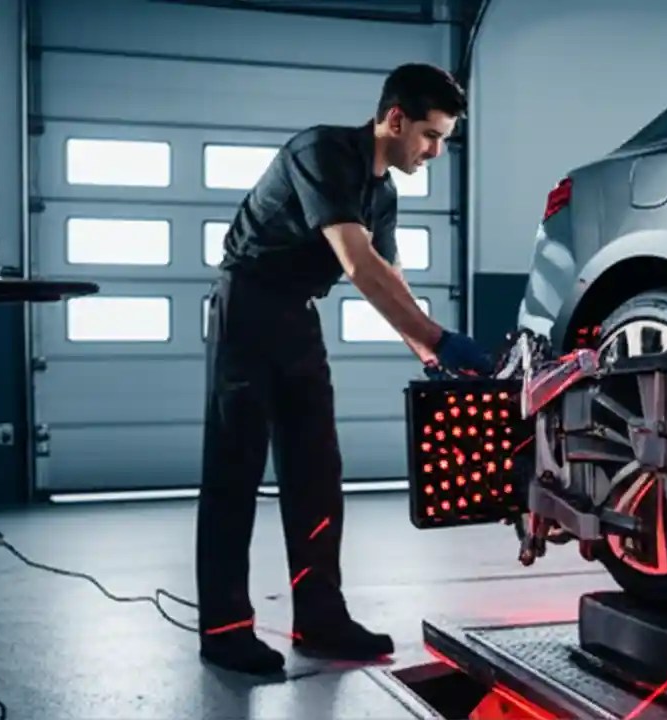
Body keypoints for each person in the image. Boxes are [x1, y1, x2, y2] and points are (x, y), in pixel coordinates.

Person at [195, 63, 493, 675]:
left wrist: (435, 356)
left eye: (443, 140)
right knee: (236, 471)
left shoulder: (383, 193)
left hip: (298, 316)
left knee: (316, 472)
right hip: (246, 306)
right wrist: (438, 338)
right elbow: (356, 264)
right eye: (430, 136)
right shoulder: (321, 151)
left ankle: (321, 619)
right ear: (394, 119)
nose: (435, 151)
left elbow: (391, 278)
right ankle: (224, 630)